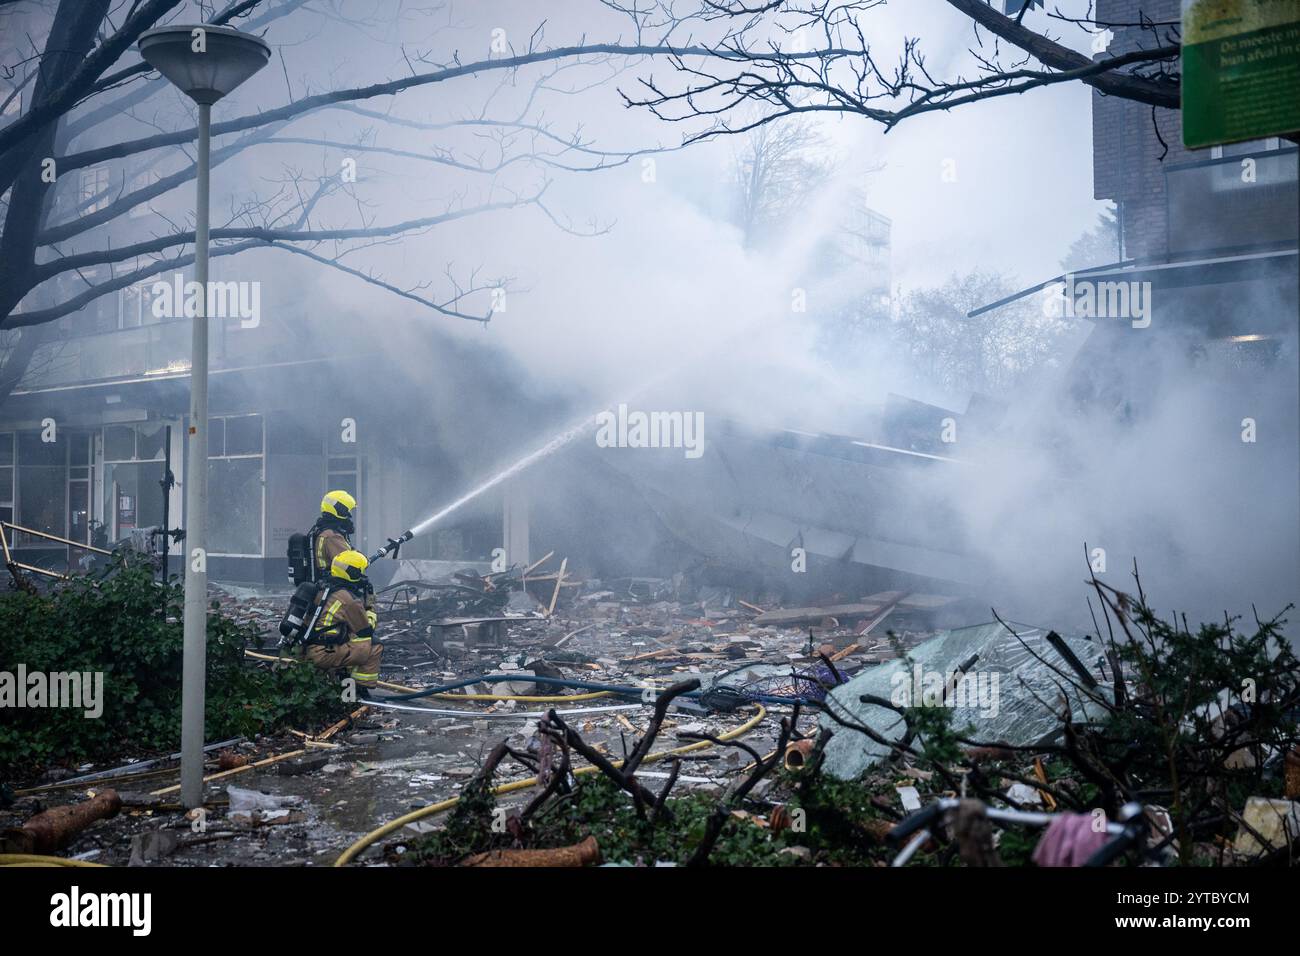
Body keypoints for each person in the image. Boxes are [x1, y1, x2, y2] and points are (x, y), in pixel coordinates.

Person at [303, 549, 383, 693]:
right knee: (374, 644)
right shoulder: (348, 599)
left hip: (306, 649)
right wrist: (370, 607)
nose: (363, 576)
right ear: (353, 574)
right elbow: (365, 630)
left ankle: (337, 678)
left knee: (350, 639)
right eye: (361, 572)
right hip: (322, 654)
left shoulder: (324, 586)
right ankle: (358, 691)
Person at [313, 490, 358, 581]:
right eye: (348, 512)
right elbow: (349, 565)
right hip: (334, 586)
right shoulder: (332, 536)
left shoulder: (323, 530)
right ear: (341, 511)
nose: (350, 517)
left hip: (328, 584)